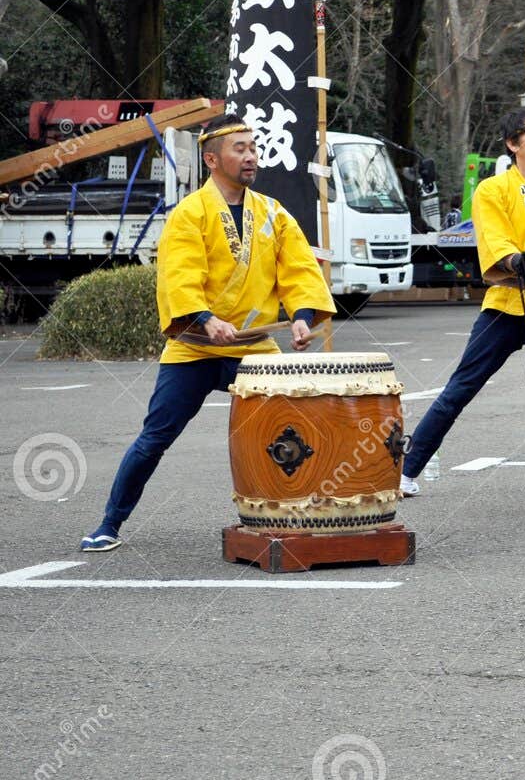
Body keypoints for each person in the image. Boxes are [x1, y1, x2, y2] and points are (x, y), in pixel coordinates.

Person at [79, 113, 335, 553]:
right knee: (155, 437)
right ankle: (110, 522)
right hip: (195, 346)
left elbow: (297, 270)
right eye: (240, 148)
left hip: (253, 346)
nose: (251, 156)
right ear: (212, 158)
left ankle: (288, 514)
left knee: (290, 425)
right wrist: (204, 319)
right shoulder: (189, 214)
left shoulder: (272, 213)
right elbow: (180, 276)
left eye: (253, 147)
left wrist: (301, 315)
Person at [400, 106, 525, 496]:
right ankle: (406, 470)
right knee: (461, 387)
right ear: (512, 144)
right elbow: (498, 247)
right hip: (508, 305)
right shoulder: (493, 190)